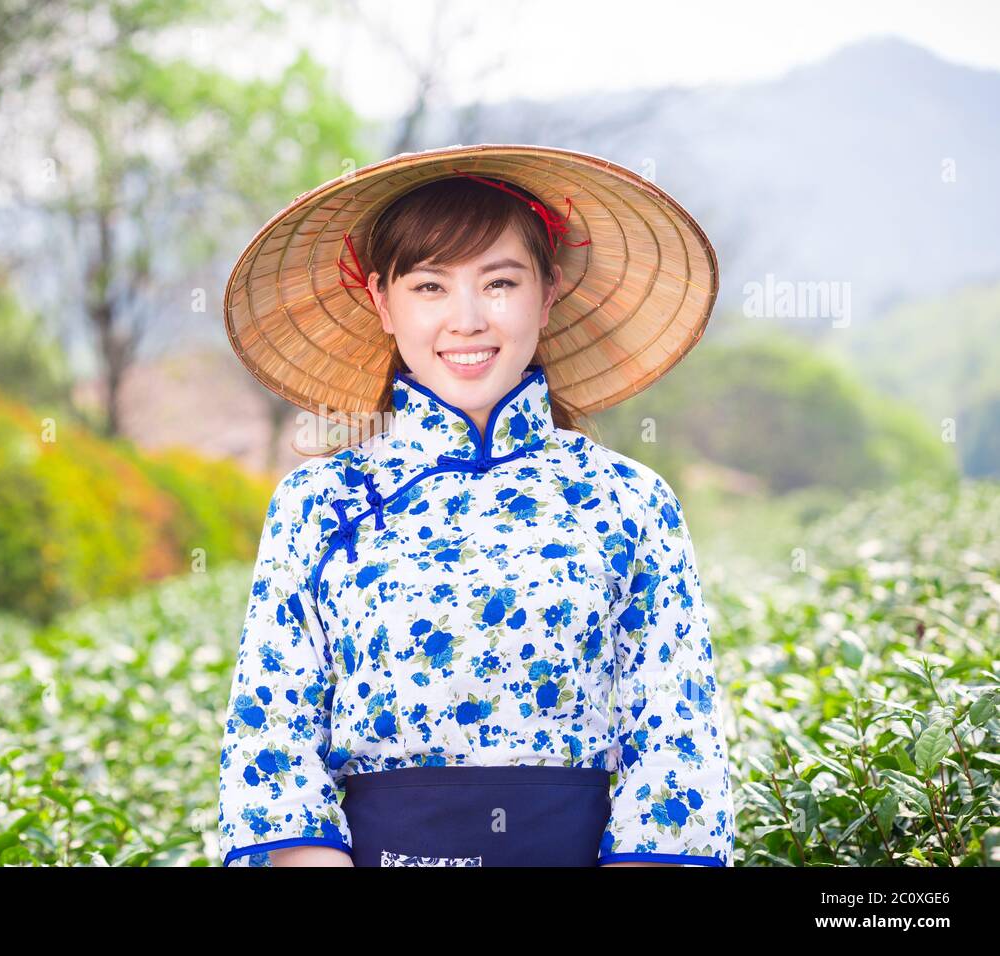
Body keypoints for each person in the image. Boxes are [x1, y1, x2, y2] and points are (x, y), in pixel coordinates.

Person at [216, 144, 735, 867]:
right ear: (381, 301)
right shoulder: (318, 504)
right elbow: (273, 743)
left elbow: (676, 747)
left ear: (547, 293)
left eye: (499, 282)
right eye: (429, 286)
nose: (467, 319)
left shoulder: (628, 501)